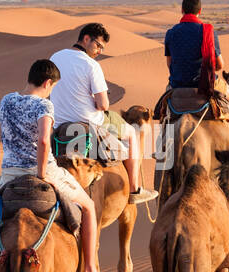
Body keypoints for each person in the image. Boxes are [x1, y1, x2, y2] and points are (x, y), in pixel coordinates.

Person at [0, 59, 106, 272]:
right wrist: (42, 174)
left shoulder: (6, 101)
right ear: (47, 82)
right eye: (52, 88)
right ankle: (90, 268)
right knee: (89, 207)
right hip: (44, 171)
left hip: (10, 174)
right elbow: (44, 140)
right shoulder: (44, 106)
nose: (51, 92)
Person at [48, 23, 158, 205]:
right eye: (98, 45)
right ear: (85, 39)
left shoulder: (55, 57)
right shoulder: (91, 65)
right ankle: (134, 189)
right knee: (131, 133)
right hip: (90, 121)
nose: (99, 50)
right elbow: (103, 104)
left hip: (58, 123)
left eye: (102, 48)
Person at [163, 0, 229, 150]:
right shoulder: (208, 31)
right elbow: (219, 65)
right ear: (200, 11)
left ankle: (161, 148)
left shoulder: (171, 33)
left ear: (182, 10)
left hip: (177, 84)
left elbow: (169, 64)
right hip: (206, 83)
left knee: (163, 110)